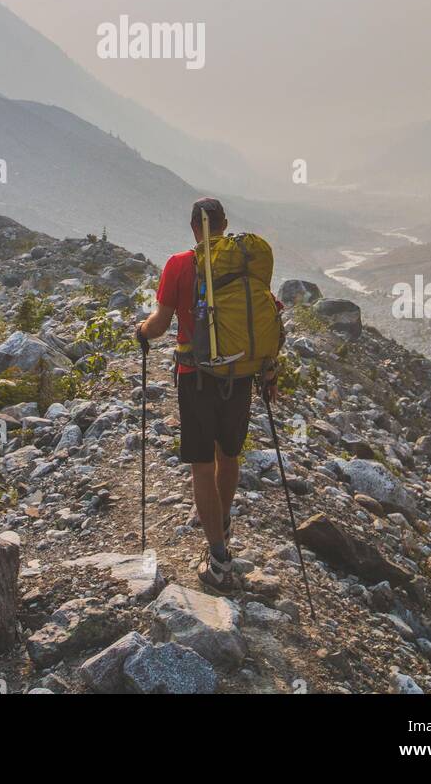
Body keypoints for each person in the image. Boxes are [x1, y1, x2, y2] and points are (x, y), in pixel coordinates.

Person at [135, 197, 277, 591]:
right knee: (228, 456)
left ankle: (217, 559)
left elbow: (160, 324)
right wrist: (269, 372)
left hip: (196, 377)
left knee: (201, 464)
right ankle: (223, 527)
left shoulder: (180, 264)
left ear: (194, 228)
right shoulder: (246, 263)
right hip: (242, 374)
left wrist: (141, 332)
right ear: (225, 224)